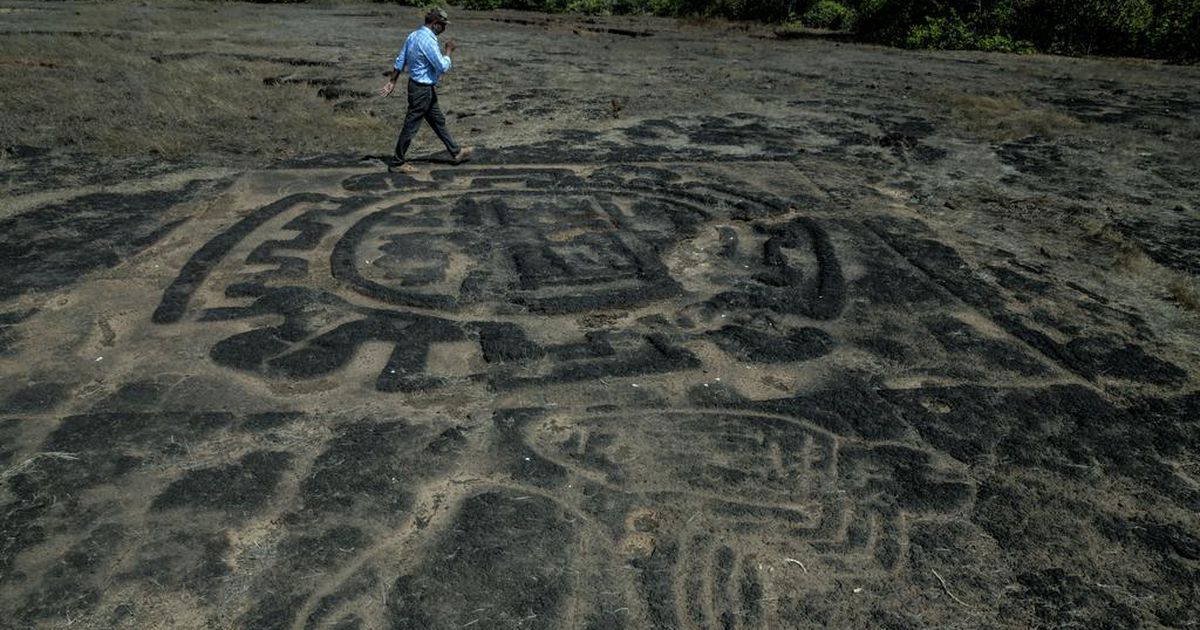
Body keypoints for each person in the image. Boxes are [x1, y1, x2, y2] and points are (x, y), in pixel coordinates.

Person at [380, 7, 472, 173]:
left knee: (438, 121)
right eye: (443, 25)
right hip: (421, 90)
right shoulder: (428, 40)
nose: (444, 29)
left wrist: (392, 81)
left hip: (420, 87)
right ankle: (397, 162)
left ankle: (456, 152)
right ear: (435, 24)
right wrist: (449, 52)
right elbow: (442, 66)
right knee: (411, 125)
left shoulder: (413, 35)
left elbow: (401, 59)